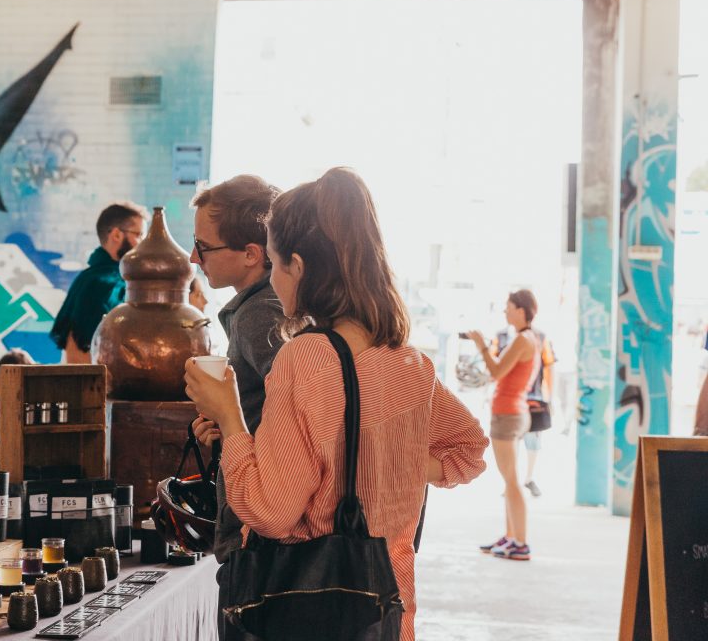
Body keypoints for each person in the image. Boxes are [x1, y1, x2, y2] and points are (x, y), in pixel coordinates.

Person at [185, 167, 487, 641]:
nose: (273, 279)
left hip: (303, 605)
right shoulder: (410, 362)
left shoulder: (304, 359)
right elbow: (468, 452)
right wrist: (377, 461)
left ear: (298, 267)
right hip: (388, 606)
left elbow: (270, 512)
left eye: (276, 264)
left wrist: (229, 416)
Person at [184, 175, 284, 639]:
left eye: (203, 247)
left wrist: (229, 418)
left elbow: (303, 406)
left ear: (251, 253)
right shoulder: (263, 307)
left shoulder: (259, 314)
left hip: (258, 528)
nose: (193, 258)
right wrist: (229, 424)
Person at [468, 289, 541, 561]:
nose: (505, 312)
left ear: (521, 310)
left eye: (509, 307)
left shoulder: (522, 339)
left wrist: (481, 346)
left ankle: (520, 542)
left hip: (508, 413)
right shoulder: (528, 338)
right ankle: (511, 537)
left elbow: (497, 371)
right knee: (509, 480)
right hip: (513, 412)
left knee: (511, 480)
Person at [49, 202, 148, 363]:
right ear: (116, 235)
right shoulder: (97, 284)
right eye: (139, 235)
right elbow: (78, 354)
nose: (144, 242)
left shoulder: (116, 280)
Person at [493, 327, 556, 497]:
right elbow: (494, 367)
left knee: (532, 440)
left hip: (533, 399)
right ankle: (512, 481)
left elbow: (549, 367)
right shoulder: (501, 336)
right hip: (512, 401)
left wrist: (550, 396)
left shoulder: (540, 336)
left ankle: (528, 478)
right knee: (512, 442)